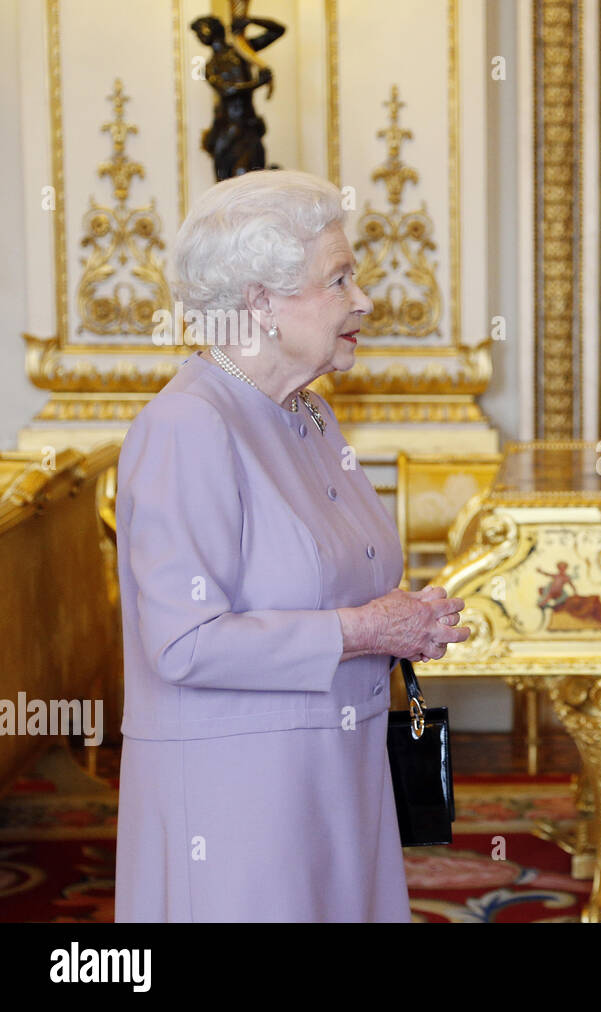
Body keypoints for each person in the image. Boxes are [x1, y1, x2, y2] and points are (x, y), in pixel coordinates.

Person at [114, 169, 469, 922]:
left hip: (338, 772)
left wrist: (409, 620)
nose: (363, 298)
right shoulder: (188, 426)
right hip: (241, 797)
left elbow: (338, 581)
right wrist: (368, 629)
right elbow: (182, 643)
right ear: (259, 303)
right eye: (338, 279)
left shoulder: (308, 415)